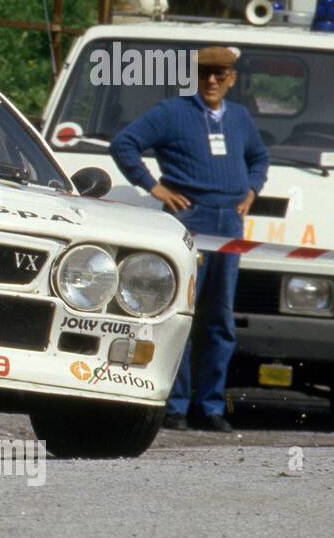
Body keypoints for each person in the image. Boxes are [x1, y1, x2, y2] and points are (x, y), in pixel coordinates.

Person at [110, 46, 271, 433]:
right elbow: (123, 144)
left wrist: (251, 191)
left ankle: (211, 406)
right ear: (193, 78)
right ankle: (175, 406)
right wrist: (155, 188)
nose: (211, 81)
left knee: (219, 319)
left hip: (229, 225)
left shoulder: (241, 118)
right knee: (182, 316)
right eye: (203, 74)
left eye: (219, 74)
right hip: (190, 218)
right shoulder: (172, 113)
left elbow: (260, 157)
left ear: (232, 78)